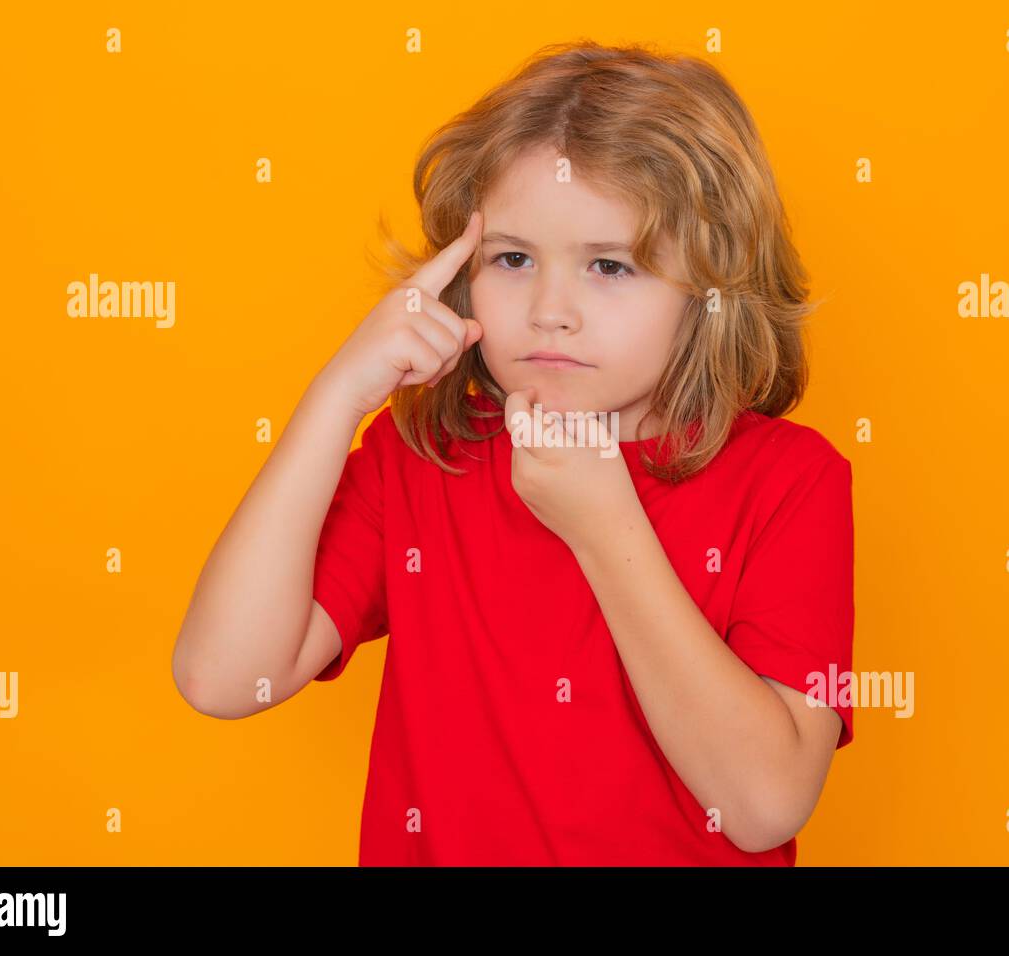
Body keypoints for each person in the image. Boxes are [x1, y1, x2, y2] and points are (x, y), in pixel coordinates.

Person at [172, 40, 855, 866]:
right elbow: (222, 678)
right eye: (514, 259)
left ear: (711, 291)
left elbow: (764, 805)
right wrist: (335, 399)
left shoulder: (793, 480)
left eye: (610, 266)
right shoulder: (423, 454)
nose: (550, 311)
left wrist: (605, 528)